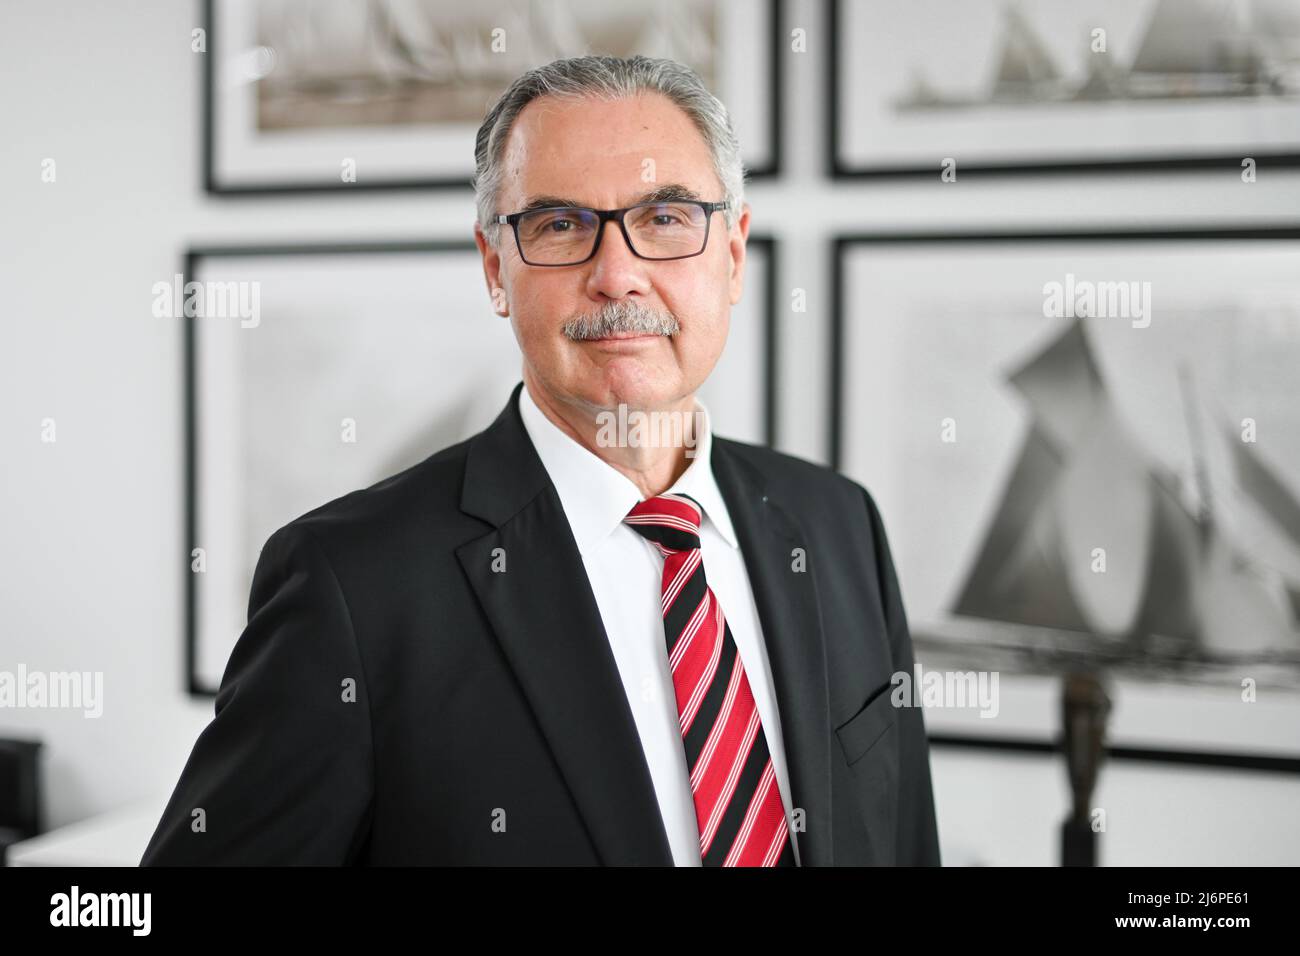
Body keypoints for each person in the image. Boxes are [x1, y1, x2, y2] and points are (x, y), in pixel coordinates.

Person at [140, 54, 940, 867]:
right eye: (560, 225)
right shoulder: (352, 585)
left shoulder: (840, 524)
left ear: (731, 253)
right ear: (496, 269)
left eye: (665, 217)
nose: (617, 273)